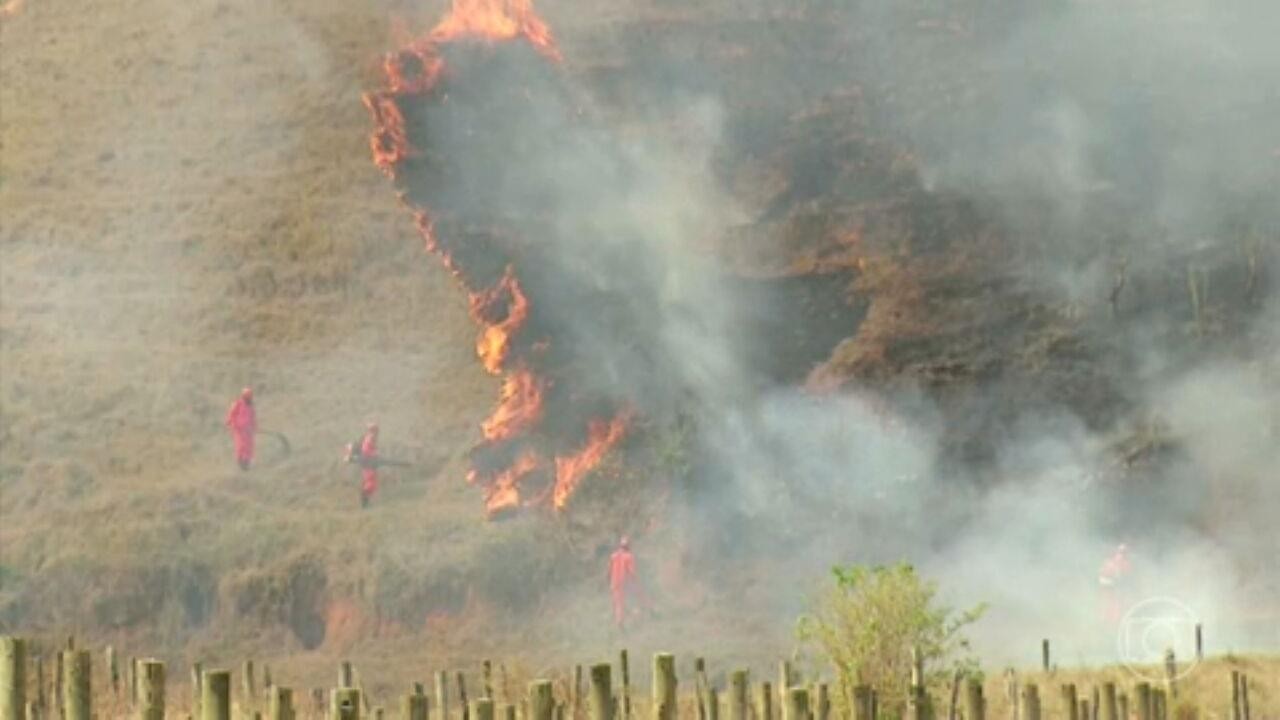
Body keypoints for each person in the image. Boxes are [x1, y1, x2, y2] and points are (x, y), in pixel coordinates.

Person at [609, 535, 645, 628]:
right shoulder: (629, 556)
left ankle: (621, 620)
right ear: (628, 546)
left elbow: (609, 570)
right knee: (632, 601)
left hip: (614, 583)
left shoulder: (613, 556)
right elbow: (632, 572)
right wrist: (637, 582)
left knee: (618, 603)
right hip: (624, 583)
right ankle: (623, 622)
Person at [224, 387, 257, 471]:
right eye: (247, 395)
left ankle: (246, 463)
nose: (248, 397)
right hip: (239, 429)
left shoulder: (251, 407)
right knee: (240, 446)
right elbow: (231, 414)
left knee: (249, 446)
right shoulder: (238, 403)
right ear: (243, 395)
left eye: (250, 396)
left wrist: (254, 427)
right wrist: (230, 423)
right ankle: (241, 463)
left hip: (248, 430)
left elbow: (253, 418)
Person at [1098, 542, 1132, 623]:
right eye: (1120, 552)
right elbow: (1102, 575)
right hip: (1110, 587)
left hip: (1114, 587)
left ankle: (1111, 621)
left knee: (1115, 605)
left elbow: (1126, 576)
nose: (1121, 555)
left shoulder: (1125, 563)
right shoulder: (1109, 562)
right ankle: (1107, 621)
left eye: (1123, 552)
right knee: (1109, 604)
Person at [352, 422, 379, 508]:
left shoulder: (369, 438)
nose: (377, 433)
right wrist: (375, 455)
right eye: (375, 430)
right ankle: (364, 503)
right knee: (370, 483)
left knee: (371, 483)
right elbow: (367, 451)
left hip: (368, 462)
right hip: (368, 462)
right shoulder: (370, 438)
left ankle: (365, 502)